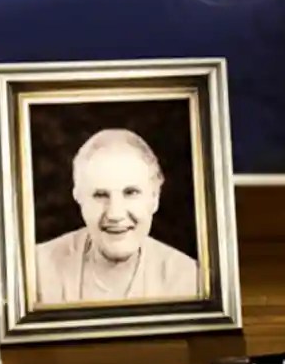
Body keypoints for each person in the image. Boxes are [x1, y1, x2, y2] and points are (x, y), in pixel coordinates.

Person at [33, 128, 199, 307]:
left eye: (131, 192)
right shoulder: (36, 271)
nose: (115, 214)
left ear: (154, 198)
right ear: (79, 198)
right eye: (100, 195)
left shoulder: (189, 280)